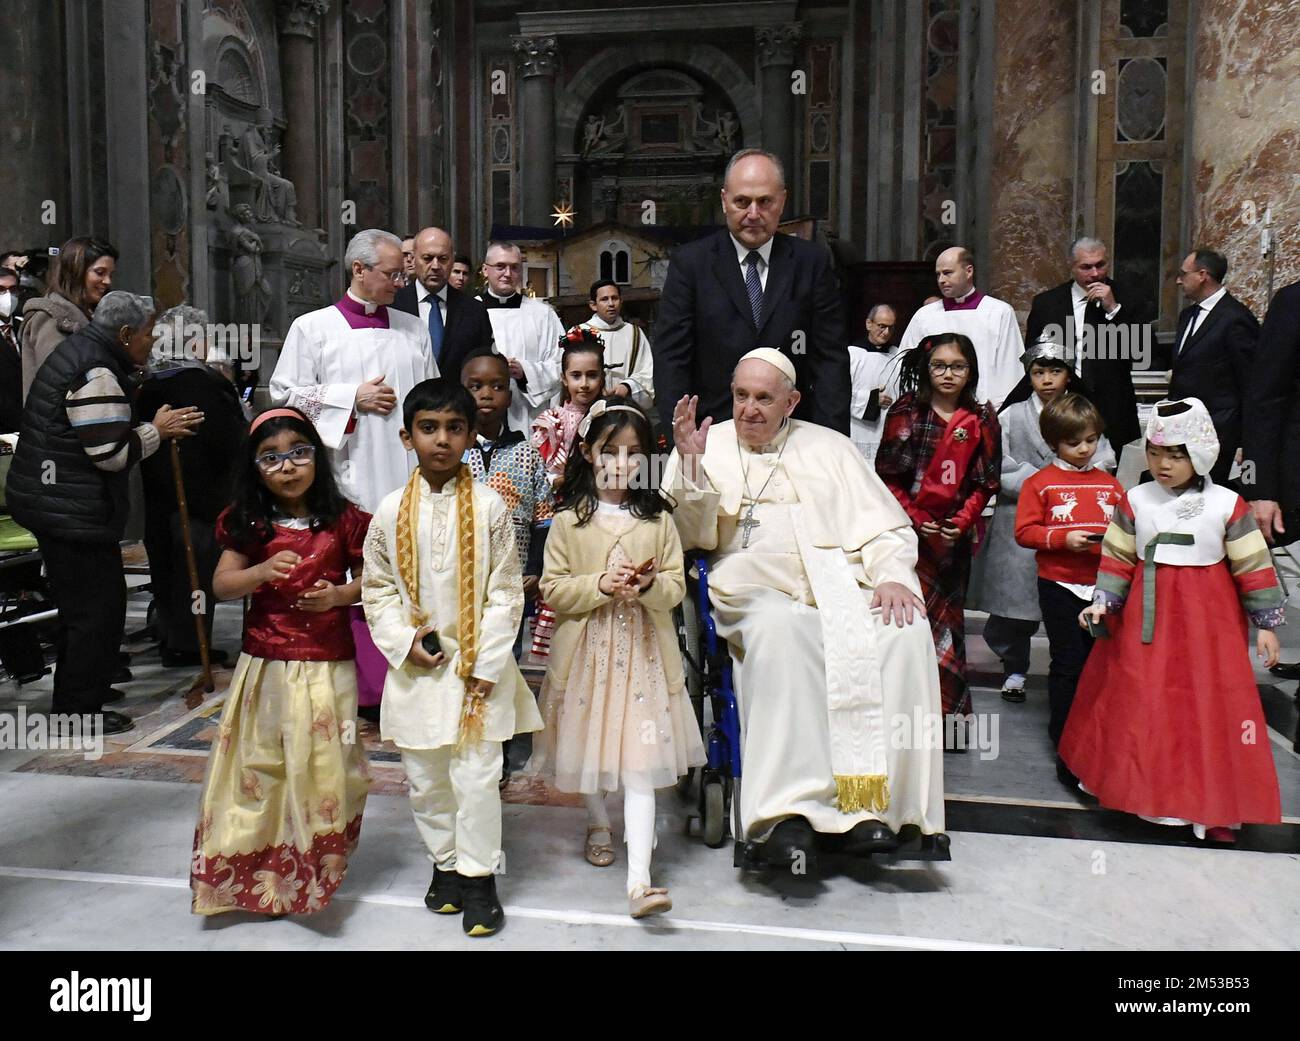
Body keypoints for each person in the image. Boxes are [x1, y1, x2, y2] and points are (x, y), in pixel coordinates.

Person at [666, 349, 945, 874]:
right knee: (783, 633)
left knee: (903, 633)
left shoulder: (831, 447)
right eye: (741, 395)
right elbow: (688, 539)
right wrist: (689, 467)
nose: (749, 409)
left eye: (764, 398)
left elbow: (884, 528)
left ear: (791, 402)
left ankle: (881, 811)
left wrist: (889, 575)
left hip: (839, 583)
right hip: (749, 586)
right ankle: (785, 816)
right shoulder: (707, 445)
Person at [362, 378, 542, 937]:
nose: (442, 440)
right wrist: (402, 640)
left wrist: (485, 666)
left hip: (477, 676)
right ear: (406, 436)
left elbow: (506, 592)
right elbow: (377, 588)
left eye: (454, 428)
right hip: (417, 670)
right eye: (429, 428)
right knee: (425, 778)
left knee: (478, 779)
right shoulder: (389, 511)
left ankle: (480, 878)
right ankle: (444, 864)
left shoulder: (490, 506)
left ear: (470, 434)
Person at [1063, 398, 1284, 844]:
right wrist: (1103, 601)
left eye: (1177, 454)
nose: (1164, 464)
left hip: (1209, 620)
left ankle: (1209, 804)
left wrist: (1266, 622)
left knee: (1207, 704)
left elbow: (1252, 564)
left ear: (1200, 453)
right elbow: (1119, 556)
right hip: (1145, 615)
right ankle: (1143, 793)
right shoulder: (1135, 499)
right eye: (1156, 452)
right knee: (1141, 696)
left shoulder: (1227, 504)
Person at [191, 407, 372, 915]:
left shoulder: (347, 520)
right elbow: (222, 586)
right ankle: (253, 876)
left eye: (299, 452)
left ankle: (311, 873)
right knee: (259, 767)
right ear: (254, 467)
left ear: (317, 455)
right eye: (271, 458)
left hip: (326, 664)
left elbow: (377, 581)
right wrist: (263, 570)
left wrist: (340, 597)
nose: (288, 466)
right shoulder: (248, 523)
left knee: (323, 768)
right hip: (266, 665)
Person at [532, 399, 705, 918]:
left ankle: (639, 883)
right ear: (587, 452)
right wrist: (600, 585)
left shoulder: (658, 520)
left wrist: (649, 585)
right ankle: (599, 822)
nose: (622, 464)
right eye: (609, 452)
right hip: (586, 656)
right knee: (588, 745)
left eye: (634, 454)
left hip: (644, 660)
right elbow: (553, 589)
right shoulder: (569, 522)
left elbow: (675, 586)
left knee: (638, 764)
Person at [6, 292, 203, 735]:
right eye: (149, 332)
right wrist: (158, 430)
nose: (153, 340)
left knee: (88, 606)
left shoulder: (88, 351)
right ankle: (76, 710)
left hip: (56, 501)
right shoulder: (96, 370)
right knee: (97, 609)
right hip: (67, 509)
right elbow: (110, 453)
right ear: (125, 334)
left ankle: (84, 689)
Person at [270, 228, 437, 717]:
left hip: (408, 474)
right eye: (392, 273)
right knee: (359, 574)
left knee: (412, 574)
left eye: (402, 273)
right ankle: (363, 688)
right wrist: (349, 399)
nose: (400, 282)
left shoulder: (413, 328)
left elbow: (429, 398)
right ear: (358, 270)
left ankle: (412, 677)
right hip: (350, 474)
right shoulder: (313, 328)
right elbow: (285, 396)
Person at [653, 148, 849, 433]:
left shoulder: (812, 262)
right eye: (742, 202)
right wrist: (681, 438)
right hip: (713, 432)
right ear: (724, 201)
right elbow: (671, 359)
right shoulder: (691, 264)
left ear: (782, 201)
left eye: (765, 202)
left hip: (794, 432)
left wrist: (832, 440)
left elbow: (830, 359)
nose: (753, 214)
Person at [971, 337, 1115, 702]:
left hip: (1073, 518)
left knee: (1068, 601)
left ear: (1069, 375)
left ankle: (1072, 666)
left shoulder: (1082, 411)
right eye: (1039, 372)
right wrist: (1041, 482)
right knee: (1014, 607)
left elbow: (1104, 457)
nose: (1047, 380)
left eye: (1056, 371)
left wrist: (1070, 478)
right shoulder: (1011, 415)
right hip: (1020, 514)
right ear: (1029, 376)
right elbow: (996, 463)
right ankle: (1014, 666)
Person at [875, 333, 1001, 733]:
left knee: (950, 624)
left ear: (971, 372)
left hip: (953, 541)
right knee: (910, 626)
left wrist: (960, 523)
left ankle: (951, 722)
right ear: (927, 369)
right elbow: (886, 477)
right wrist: (914, 517)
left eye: (958, 366)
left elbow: (987, 483)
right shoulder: (907, 412)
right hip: (908, 536)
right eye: (940, 366)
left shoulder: (981, 419)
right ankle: (906, 720)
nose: (948, 374)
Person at [1012, 393, 1123, 788]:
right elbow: (1025, 532)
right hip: (1058, 583)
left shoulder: (1111, 486)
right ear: (1053, 442)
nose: (1084, 449)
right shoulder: (1039, 484)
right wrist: (1063, 539)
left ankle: (1098, 738)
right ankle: (1065, 741)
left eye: (1091, 440)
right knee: (1067, 663)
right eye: (1074, 442)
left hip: (1103, 588)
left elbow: (1126, 532)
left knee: (1101, 664)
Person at [138, 305, 247, 668]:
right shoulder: (207, 383)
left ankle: (172, 636)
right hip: (204, 495)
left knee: (167, 567)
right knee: (196, 569)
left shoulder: (148, 382)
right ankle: (188, 643)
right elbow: (232, 440)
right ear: (197, 341)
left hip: (158, 492)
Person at [461, 350, 554, 776]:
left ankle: (495, 743)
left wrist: (535, 566)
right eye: (475, 386)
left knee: (502, 659)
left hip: (509, 581)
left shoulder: (528, 454)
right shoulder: (451, 452)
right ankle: (461, 737)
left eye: (497, 386)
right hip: (458, 581)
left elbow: (542, 516)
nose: (486, 395)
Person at [1023, 237, 1143, 456]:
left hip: (1113, 408)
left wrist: (1113, 310)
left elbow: (1140, 351)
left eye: (1100, 265)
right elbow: (1032, 357)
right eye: (1086, 267)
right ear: (1071, 266)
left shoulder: (1128, 297)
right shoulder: (1047, 303)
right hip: (1062, 404)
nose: (1095, 273)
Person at [530, 328, 606, 660]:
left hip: (601, 509)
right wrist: (556, 478)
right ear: (563, 378)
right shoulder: (552, 421)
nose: (584, 384)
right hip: (560, 512)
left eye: (592, 375)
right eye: (576, 375)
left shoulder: (610, 418)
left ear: (604, 376)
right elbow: (540, 468)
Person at [1170, 249, 1260, 486]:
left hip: (1217, 432)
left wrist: (1246, 440)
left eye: (1183, 274)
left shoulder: (1235, 318)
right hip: (1182, 428)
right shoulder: (1187, 315)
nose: (1179, 280)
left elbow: (1250, 382)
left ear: (1202, 275)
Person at [894, 248, 1023, 408]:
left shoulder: (999, 312)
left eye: (947, 273)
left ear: (969, 271)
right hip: (932, 410)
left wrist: (996, 414)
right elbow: (907, 366)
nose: (941, 279)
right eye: (938, 274)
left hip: (981, 411)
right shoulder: (925, 316)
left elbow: (1010, 369)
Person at [477, 241, 564, 432]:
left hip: (527, 414)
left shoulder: (543, 314)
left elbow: (561, 363)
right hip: (479, 415)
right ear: (485, 270)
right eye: (500, 266)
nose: (508, 274)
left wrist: (525, 371)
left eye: (514, 267)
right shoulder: (468, 311)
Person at [21, 236, 118, 402]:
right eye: (100, 272)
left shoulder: (93, 314)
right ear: (75, 272)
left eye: (111, 274)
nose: (107, 281)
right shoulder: (50, 319)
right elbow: (59, 383)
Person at [392, 227, 494, 382]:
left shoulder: (474, 311)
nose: (435, 266)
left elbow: (483, 368)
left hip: (457, 402)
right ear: (412, 259)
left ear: (452, 261)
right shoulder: (392, 305)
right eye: (427, 258)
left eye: (443, 259)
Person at [572, 280, 655, 411]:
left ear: (621, 302)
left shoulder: (635, 333)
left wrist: (627, 386)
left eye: (614, 298)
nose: (611, 304)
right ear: (593, 305)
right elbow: (566, 372)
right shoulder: (578, 333)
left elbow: (647, 372)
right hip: (587, 408)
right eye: (604, 299)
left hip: (625, 408)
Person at [847, 303, 898, 463]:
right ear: (869, 324)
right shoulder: (851, 355)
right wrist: (871, 399)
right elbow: (839, 394)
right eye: (882, 326)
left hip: (889, 428)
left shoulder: (898, 356)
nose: (886, 333)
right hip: (858, 429)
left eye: (891, 328)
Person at [0, 266, 25, 433]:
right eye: (1, 290)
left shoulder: (24, 327)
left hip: (24, 424)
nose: (8, 296)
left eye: (13, 289)